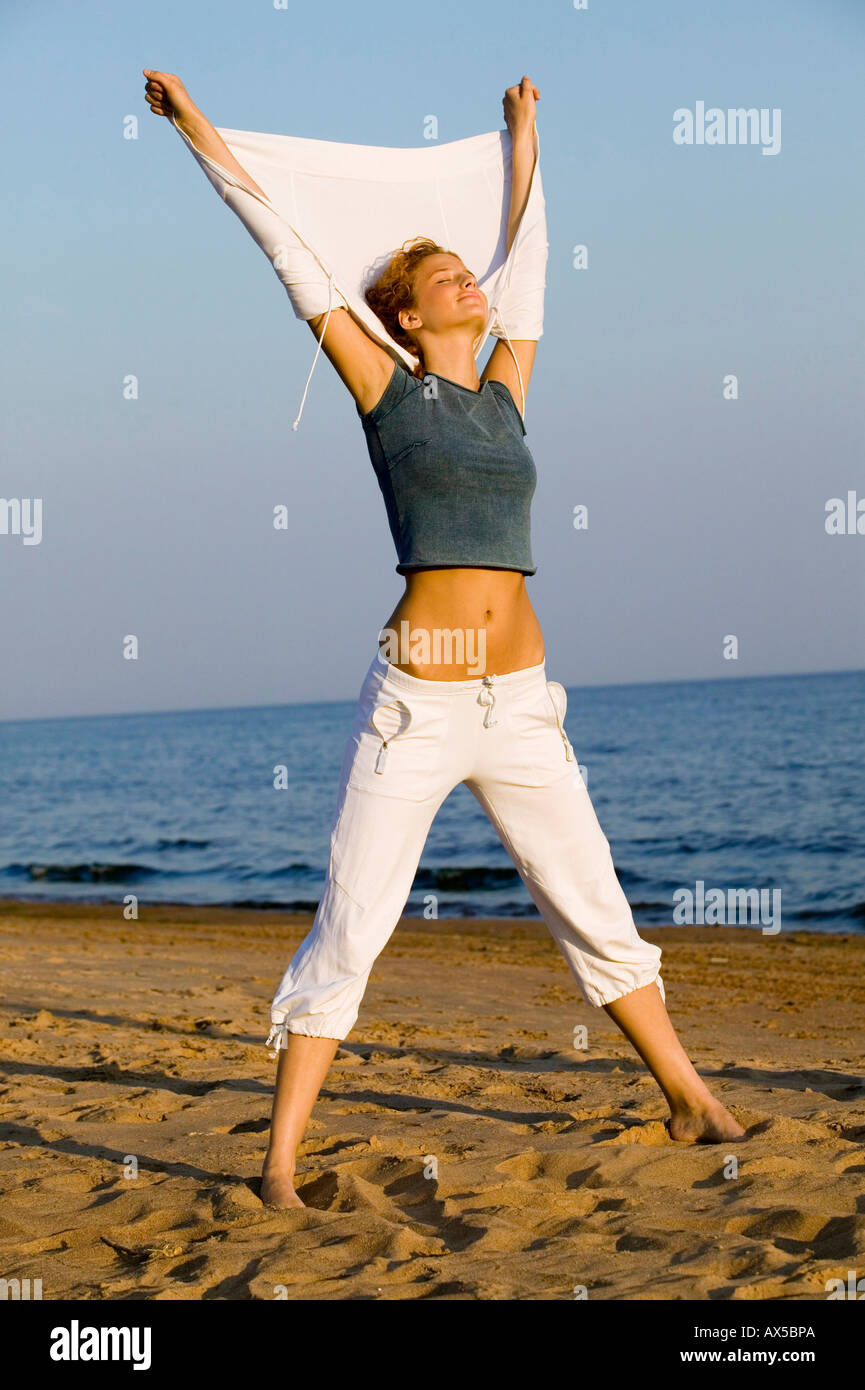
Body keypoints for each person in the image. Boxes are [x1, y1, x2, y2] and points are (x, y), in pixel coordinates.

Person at [144, 68, 746, 1210]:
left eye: (467, 272)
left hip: (519, 698)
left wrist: (526, 142)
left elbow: (529, 256)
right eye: (442, 276)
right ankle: (275, 1163)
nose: (468, 278)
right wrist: (196, 129)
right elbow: (288, 252)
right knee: (353, 926)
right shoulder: (384, 389)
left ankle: (689, 1097)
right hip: (416, 701)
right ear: (407, 316)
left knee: (592, 902)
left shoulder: (507, 390)